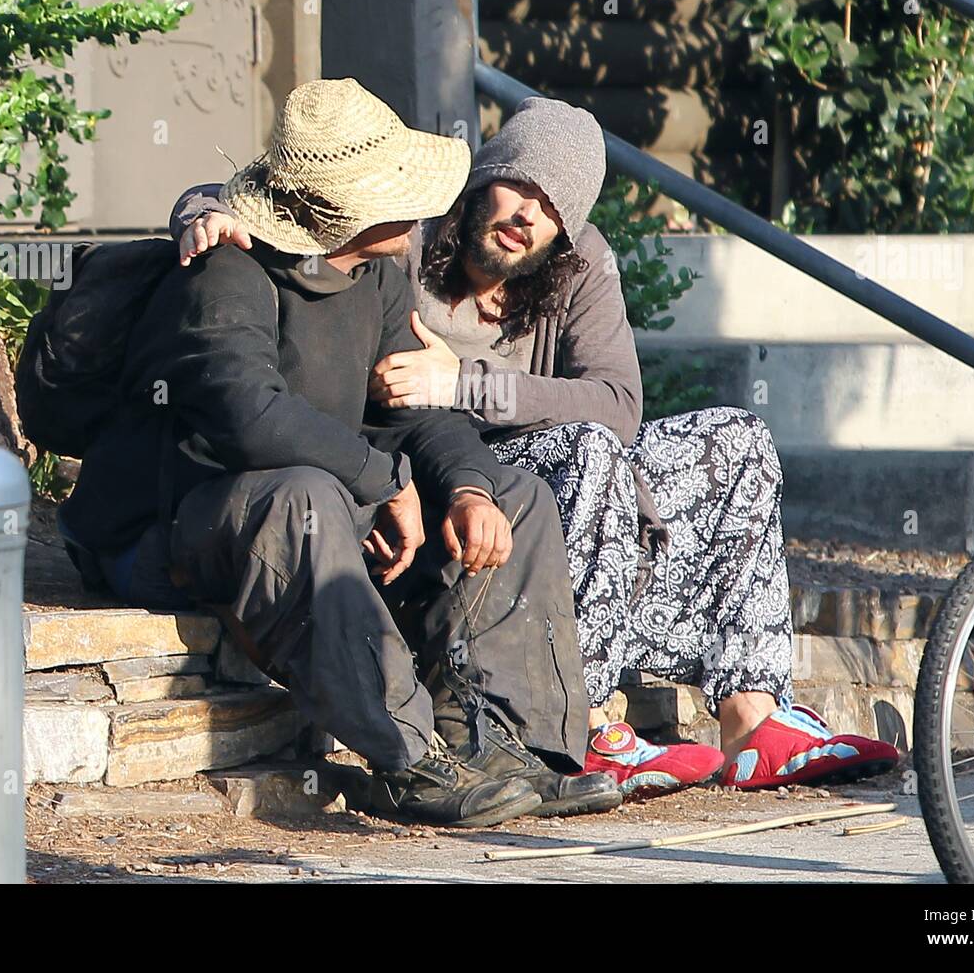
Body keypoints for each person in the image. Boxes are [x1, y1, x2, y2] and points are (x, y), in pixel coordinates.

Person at [170, 96, 899, 795]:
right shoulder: (410, 228)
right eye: (519, 186)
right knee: (586, 451)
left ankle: (752, 721)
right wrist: (203, 212)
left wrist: (465, 383)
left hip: (556, 463)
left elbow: (620, 406)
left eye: (553, 207)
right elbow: (297, 194)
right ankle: (586, 721)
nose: (528, 215)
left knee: (737, 438)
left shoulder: (582, 266)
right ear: (485, 179)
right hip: (439, 472)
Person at [62, 79, 620, 827]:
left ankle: (509, 748)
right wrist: (381, 479)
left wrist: (467, 488)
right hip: (165, 534)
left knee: (516, 495)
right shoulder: (228, 271)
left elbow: (415, 406)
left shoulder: (374, 277)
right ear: (353, 212)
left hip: (287, 520)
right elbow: (246, 417)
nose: (424, 209)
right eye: (399, 190)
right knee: (307, 498)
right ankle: (405, 759)